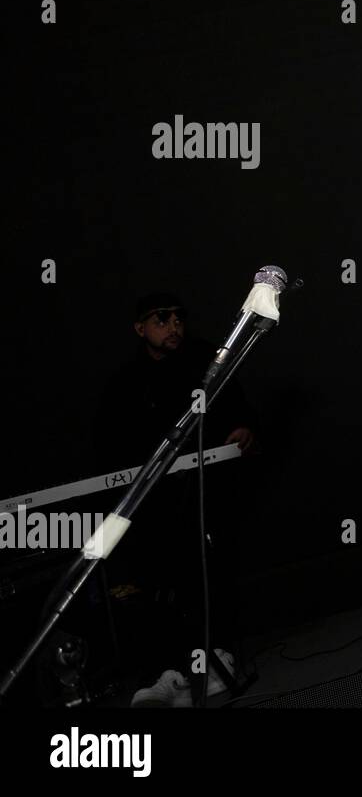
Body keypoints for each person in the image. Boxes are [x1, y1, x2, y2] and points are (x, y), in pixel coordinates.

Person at [93, 292, 256, 706]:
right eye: (161, 319)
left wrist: (240, 426)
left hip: (204, 490)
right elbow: (111, 443)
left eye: (178, 317)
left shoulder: (205, 360)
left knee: (205, 569)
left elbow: (235, 403)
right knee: (155, 580)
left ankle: (217, 656)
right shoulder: (127, 381)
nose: (173, 325)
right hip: (155, 501)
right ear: (140, 328)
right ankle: (171, 671)